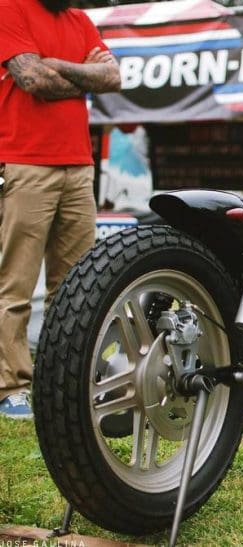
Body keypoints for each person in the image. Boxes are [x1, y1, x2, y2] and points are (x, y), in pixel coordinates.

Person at [0, 0, 121, 419]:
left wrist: (58, 65)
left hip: (78, 165)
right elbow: (32, 78)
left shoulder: (80, 19)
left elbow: (114, 76)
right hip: (23, 163)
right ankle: (11, 386)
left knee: (76, 287)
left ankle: (63, 382)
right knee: (14, 284)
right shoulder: (9, 9)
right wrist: (84, 74)